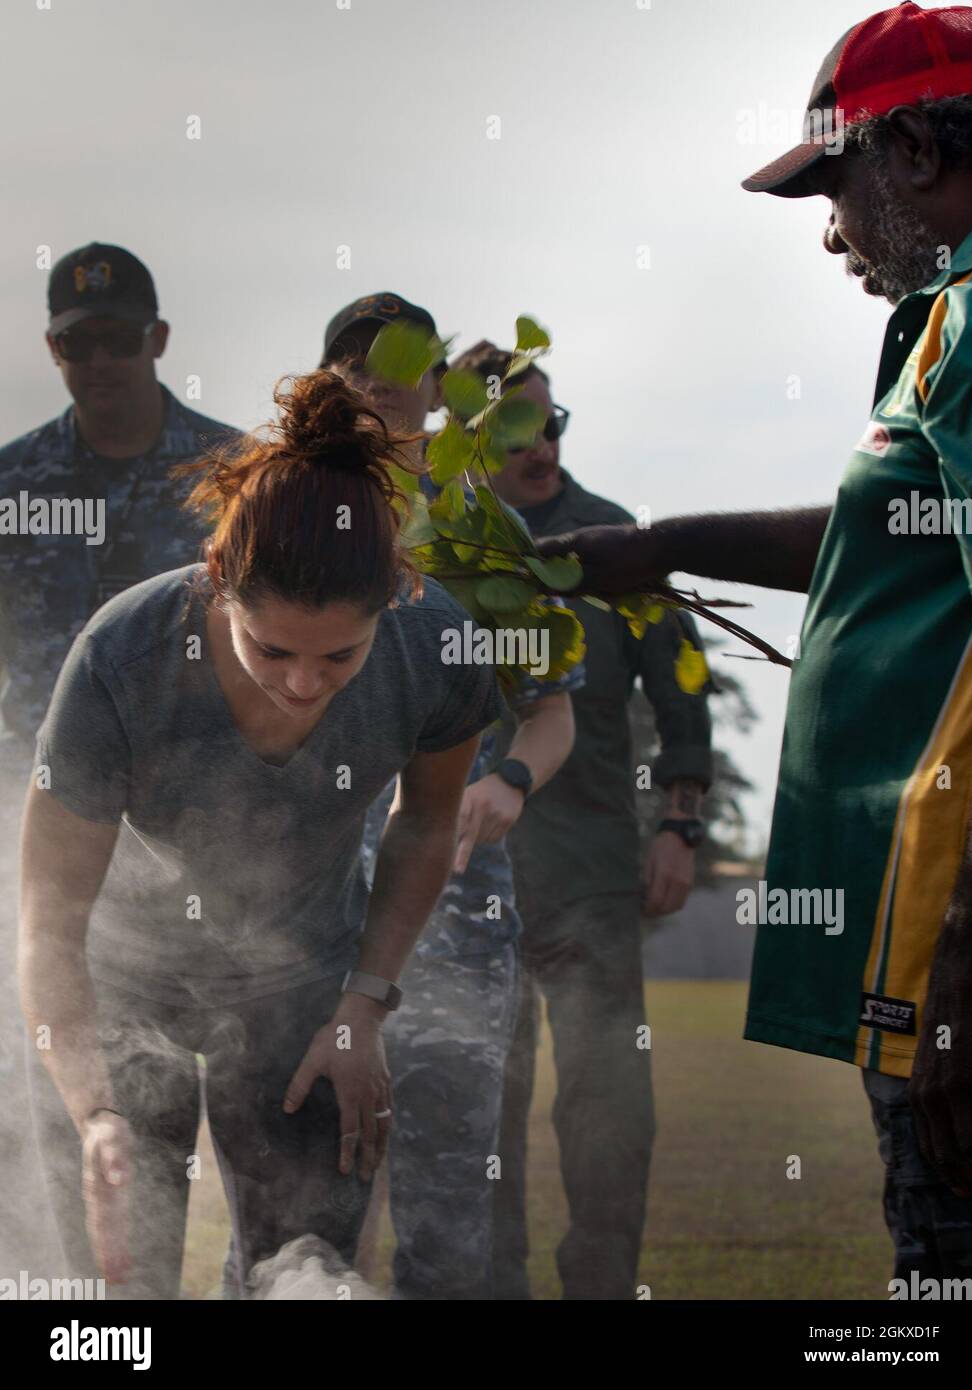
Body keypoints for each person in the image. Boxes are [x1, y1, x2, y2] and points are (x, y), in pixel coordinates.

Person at [536, 2, 972, 1286]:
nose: (832, 233)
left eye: (831, 190)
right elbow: (888, 531)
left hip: (951, 936)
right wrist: (662, 545)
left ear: (910, 155)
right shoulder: (952, 314)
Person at [19, 369, 503, 1299]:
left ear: (395, 595)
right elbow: (46, 918)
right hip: (116, 988)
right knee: (118, 1296)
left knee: (308, 1279)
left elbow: (429, 817)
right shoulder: (121, 658)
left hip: (306, 988)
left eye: (340, 656)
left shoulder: (436, 647)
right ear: (216, 582)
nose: (304, 685)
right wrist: (92, 1113)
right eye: (272, 649)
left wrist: (364, 1006)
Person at [320, 294, 582, 1299]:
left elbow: (548, 713)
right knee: (299, 1214)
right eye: (366, 371)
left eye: (411, 371)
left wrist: (512, 777)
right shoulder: (280, 515)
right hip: (307, 920)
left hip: (455, 918)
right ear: (330, 381)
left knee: (446, 1232)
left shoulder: (480, 530)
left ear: (439, 386)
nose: (391, 391)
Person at [450, 340, 714, 1300]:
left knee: (608, 1107)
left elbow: (683, 682)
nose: (542, 444)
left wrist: (678, 824)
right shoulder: (435, 546)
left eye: (551, 422)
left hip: (594, 873)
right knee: (482, 1110)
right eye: (517, 427)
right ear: (466, 440)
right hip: (468, 883)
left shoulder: (613, 542)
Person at [0, 241, 235, 1278]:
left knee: (244, 1130)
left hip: (213, 862)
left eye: (119, 339)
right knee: (74, 1124)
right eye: (76, 342)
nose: (98, 359)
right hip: (49, 846)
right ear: (53, 350)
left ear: (159, 341)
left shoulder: (231, 480)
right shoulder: (10, 486)